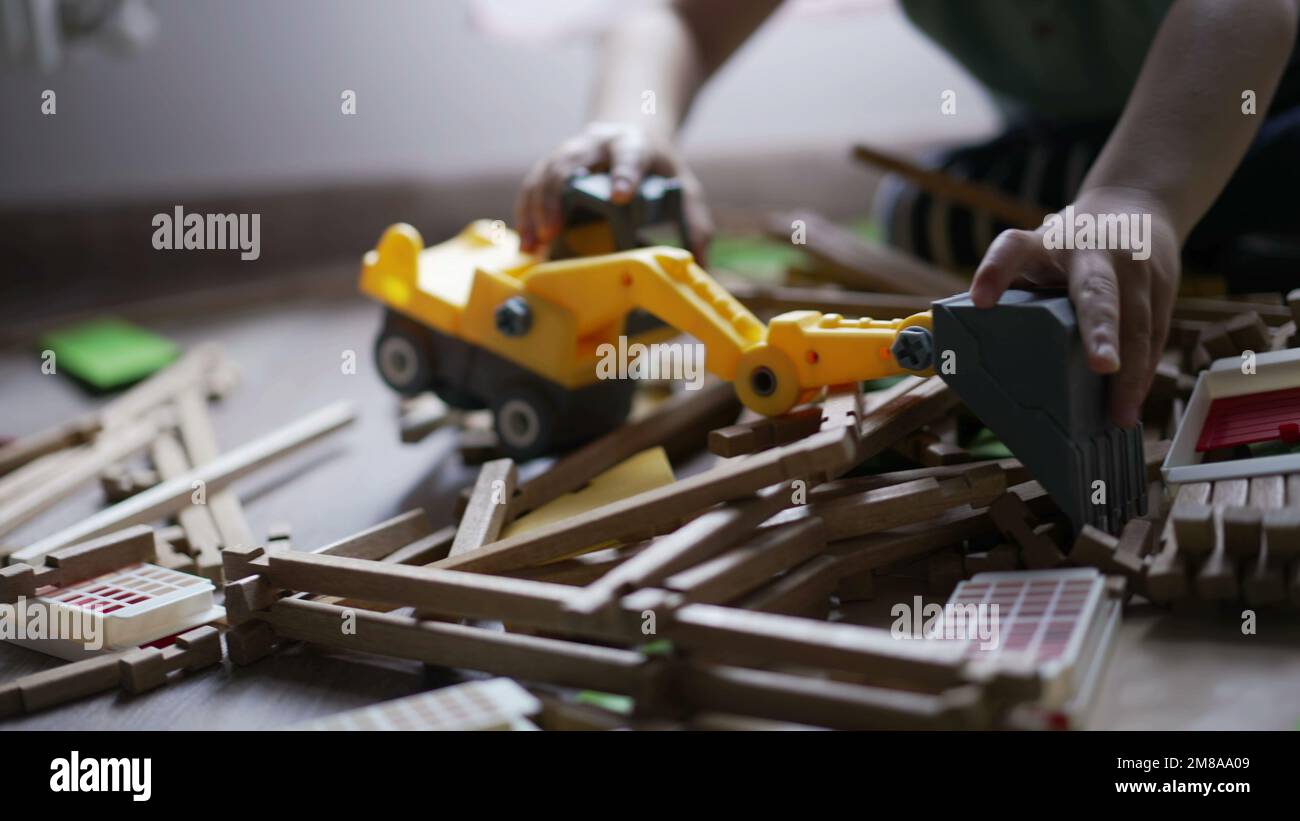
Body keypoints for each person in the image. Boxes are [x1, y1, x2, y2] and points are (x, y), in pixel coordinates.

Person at [514, 0, 1300, 427]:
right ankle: (1211, 241)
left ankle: (1186, 231)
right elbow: (676, 16)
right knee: (911, 210)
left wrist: (1141, 196)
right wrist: (634, 125)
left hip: (1246, 119)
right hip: (1076, 158)